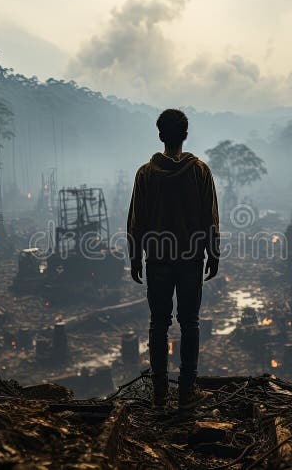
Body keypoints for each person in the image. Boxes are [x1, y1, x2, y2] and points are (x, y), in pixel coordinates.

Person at [128, 108, 219, 410]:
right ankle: (186, 391)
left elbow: (136, 220)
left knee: (158, 324)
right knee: (189, 323)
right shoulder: (200, 171)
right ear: (185, 135)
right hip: (191, 259)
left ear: (160, 136)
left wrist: (135, 256)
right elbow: (210, 216)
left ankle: (159, 393)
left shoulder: (145, 173)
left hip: (157, 261)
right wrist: (213, 251)